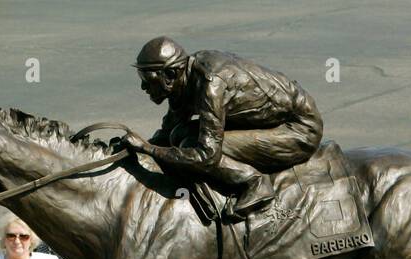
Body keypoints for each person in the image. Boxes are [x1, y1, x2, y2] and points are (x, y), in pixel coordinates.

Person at [120, 37, 323, 220]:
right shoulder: (185, 77)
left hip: (298, 129)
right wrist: (130, 149)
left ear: (171, 74)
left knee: (191, 144)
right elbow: (169, 130)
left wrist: (148, 149)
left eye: (148, 80)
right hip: (268, 120)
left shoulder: (211, 84)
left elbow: (207, 156)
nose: (143, 88)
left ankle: (254, 183)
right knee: (180, 134)